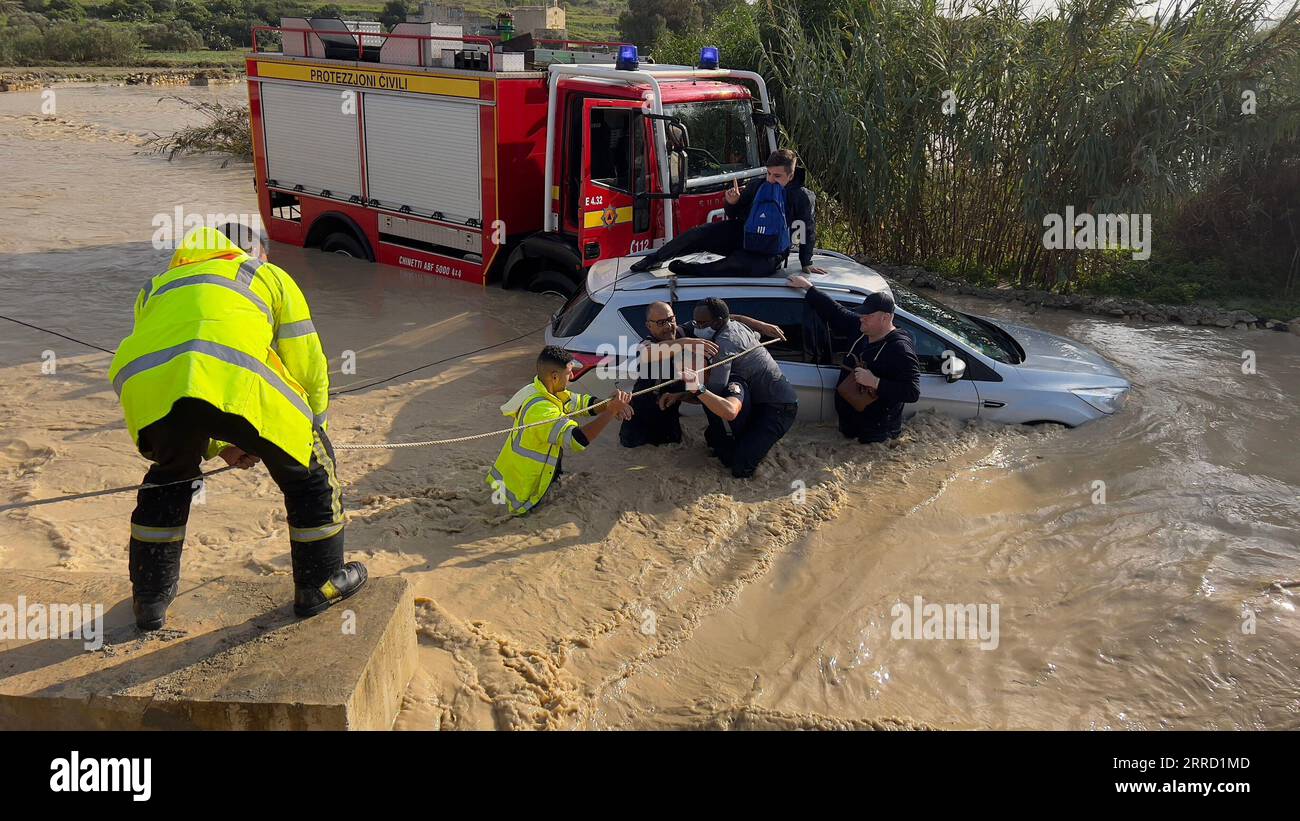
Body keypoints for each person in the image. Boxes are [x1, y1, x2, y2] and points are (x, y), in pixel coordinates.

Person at [108, 224, 365, 631]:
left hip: (145, 394)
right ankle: (319, 586)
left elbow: (191, 380)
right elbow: (307, 363)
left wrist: (215, 447)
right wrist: (314, 430)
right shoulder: (265, 275)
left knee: (169, 480)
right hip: (235, 386)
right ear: (256, 251)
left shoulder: (156, 285)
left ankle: (150, 601)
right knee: (311, 478)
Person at [628, 149, 827, 278]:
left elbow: (807, 229)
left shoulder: (802, 196)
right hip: (745, 235)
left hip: (771, 250)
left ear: (791, 175)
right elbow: (736, 214)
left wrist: (806, 261)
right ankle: (655, 259)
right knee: (700, 233)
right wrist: (731, 203)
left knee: (737, 266)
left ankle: (691, 270)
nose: (771, 179)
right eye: (769, 173)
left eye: (778, 176)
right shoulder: (758, 185)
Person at [661, 298, 798, 478]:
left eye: (702, 323)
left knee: (741, 469)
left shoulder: (723, 345)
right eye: (695, 322)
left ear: (718, 321)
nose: (697, 328)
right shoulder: (731, 324)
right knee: (715, 441)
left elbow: (716, 395)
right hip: (756, 399)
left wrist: (688, 391)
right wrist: (760, 324)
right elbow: (734, 317)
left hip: (778, 407)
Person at [487, 346, 631, 515]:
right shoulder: (541, 411)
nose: (572, 377)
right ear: (555, 377)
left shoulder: (541, 389)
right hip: (524, 488)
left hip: (512, 474)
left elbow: (580, 403)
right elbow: (577, 440)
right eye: (569, 373)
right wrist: (611, 412)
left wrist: (607, 403)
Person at [619, 301, 782, 448]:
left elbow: (727, 317)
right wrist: (686, 343)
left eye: (671, 319)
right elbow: (645, 354)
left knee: (671, 453)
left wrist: (761, 325)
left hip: (670, 410)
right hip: (640, 415)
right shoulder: (648, 344)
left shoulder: (685, 331)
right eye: (661, 323)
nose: (669, 326)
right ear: (649, 326)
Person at [787, 274, 921, 443]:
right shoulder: (861, 327)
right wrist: (809, 288)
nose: (862, 318)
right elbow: (835, 312)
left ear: (885, 318)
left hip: (876, 434)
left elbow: (912, 392)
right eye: (862, 314)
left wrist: (875, 382)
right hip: (850, 424)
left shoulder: (900, 349)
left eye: (868, 315)